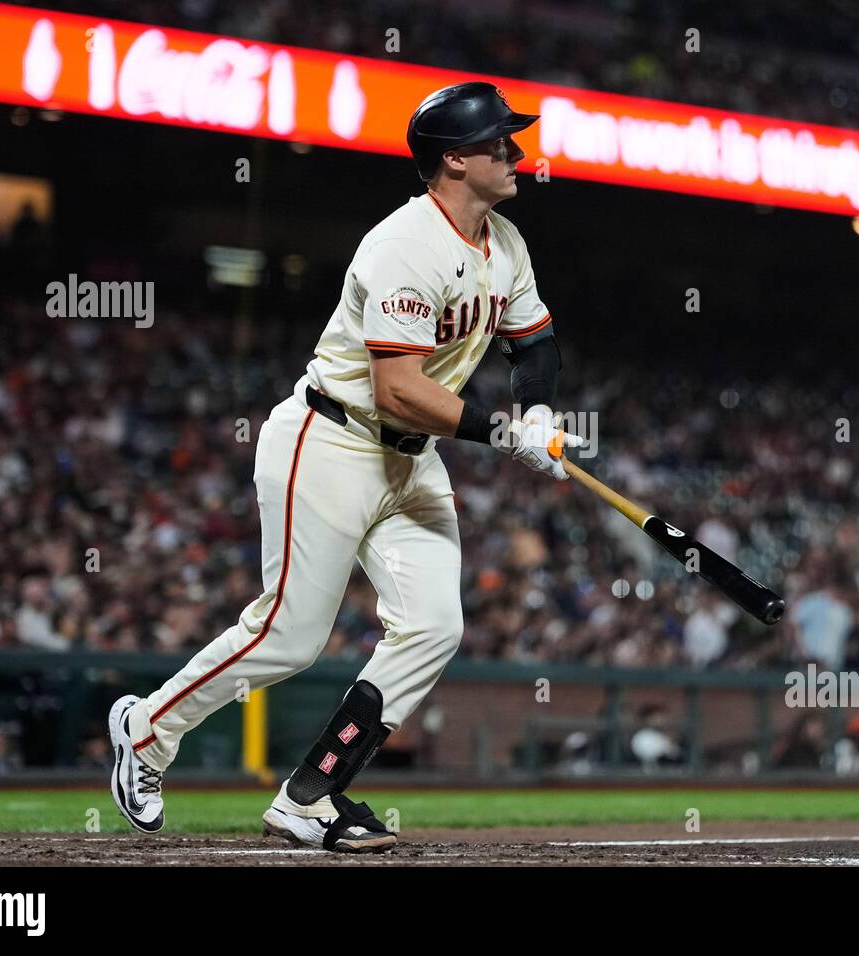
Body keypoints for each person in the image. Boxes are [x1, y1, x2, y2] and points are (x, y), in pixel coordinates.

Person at [108, 82, 582, 852]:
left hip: (411, 461)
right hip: (332, 441)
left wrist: (535, 412)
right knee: (289, 639)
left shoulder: (507, 243)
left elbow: (534, 344)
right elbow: (397, 388)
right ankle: (146, 727)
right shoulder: (403, 245)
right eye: (499, 143)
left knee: (433, 626)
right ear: (454, 160)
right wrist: (502, 434)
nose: (516, 154)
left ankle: (310, 795)